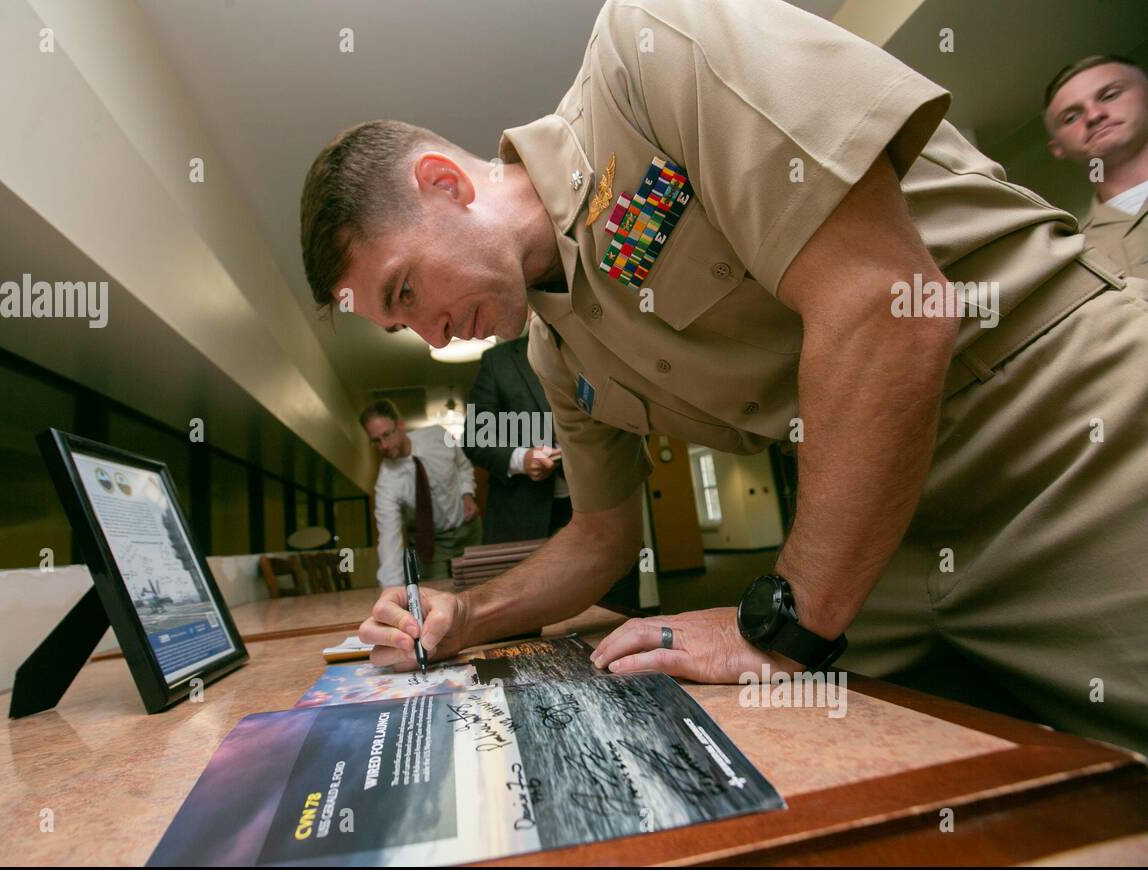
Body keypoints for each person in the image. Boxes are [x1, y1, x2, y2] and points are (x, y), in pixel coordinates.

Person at [304, 0, 1148, 753]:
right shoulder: (557, 355)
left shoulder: (647, 52)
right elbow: (600, 536)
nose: (429, 334)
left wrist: (784, 624)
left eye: (406, 290)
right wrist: (466, 615)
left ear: (445, 184)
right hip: (882, 544)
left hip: (1062, 431)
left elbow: (889, 303)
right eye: (398, 325)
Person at [464, 329, 641, 612]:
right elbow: (475, 438)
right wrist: (523, 459)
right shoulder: (498, 361)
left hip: (603, 506)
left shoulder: (605, 345)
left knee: (613, 612)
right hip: (524, 518)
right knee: (521, 617)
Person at [1045, 55, 1148, 280]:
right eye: (1071, 117)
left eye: (1110, 95)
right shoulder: (1074, 256)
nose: (1094, 115)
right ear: (1057, 148)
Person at [361, 399, 481, 587]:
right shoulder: (386, 484)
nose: (383, 445)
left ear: (400, 424)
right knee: (437, 595)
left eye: (387, 434)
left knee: (480, 589)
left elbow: (464, 467)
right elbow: (389, 539)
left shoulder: (438, 436)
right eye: (376, 441)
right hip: (430, 543)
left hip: (468, 529)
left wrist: (467, 494)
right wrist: (392, 591)